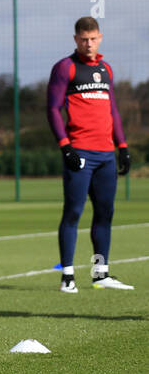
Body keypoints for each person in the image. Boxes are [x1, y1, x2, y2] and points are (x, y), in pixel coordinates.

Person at [47, 16, 134, 292]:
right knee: (73, 212)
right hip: (80, 152)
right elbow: (52, 109)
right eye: (83, 39)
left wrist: (122, 147)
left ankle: (101, 273)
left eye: (93, 38)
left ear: (100, 37)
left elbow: (113, 111)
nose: (88, 44)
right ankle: (68, 276)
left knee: (105, 213)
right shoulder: (65, 68)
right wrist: (65, 146)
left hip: (106, 154)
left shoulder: (106, 69)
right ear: (75, 39)